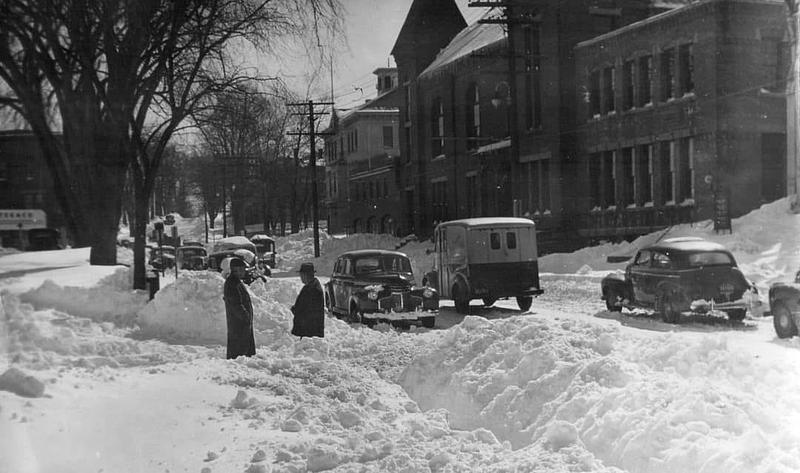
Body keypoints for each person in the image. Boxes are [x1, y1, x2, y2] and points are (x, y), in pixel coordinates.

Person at [223, 257, 256, 359]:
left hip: (241, 323)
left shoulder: (236, 282)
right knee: (239, 353)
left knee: (243, 350)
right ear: (234, 269)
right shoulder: (232, 284)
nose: (244, 271)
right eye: (241, 269)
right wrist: (245, 316)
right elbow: (236, 304)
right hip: (238, 324)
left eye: (244, 269)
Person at [290, 262, 325, 338]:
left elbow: (305, 310)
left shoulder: (311, 289)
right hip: (310, 331)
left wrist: (295, 309)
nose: (300, 277)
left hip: (310, 332)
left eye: (301, 275)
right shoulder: (312, 286)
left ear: (305, 275)